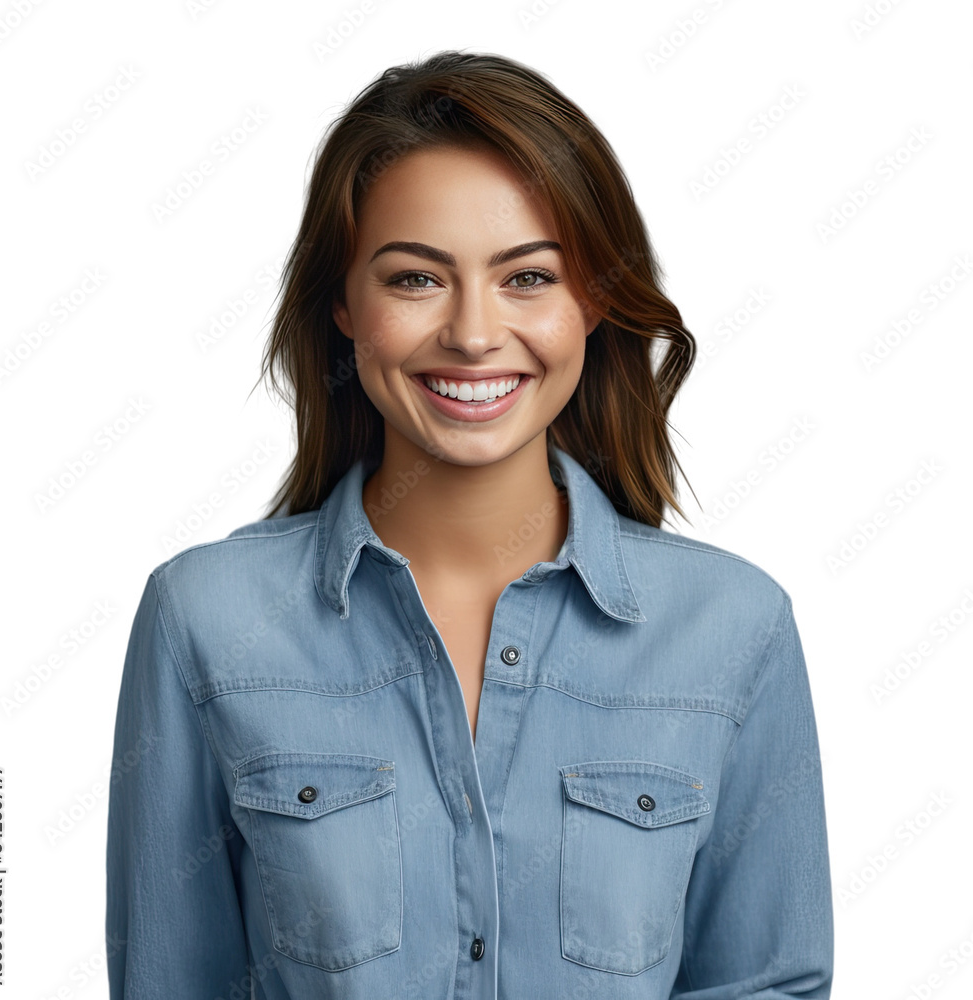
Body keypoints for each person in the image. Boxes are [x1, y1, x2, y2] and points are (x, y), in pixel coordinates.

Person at [105, 50, 834, 999]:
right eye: (416, 279)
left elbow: (767, 985)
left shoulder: (736, 627)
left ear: (593, 302)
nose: (475, 333)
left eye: (528, 277)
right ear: (342, 303)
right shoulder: (202, 618)